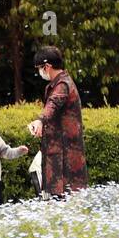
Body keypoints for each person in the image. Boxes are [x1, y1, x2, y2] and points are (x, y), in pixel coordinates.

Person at [27, 47, 87, 197]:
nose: (39, 72)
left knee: (63, 198)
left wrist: (40, 121)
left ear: (47, 67)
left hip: (64, 156)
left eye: (39, 68)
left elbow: (53, 104)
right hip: (58, 152)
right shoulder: (60, 83)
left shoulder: (62, 85)